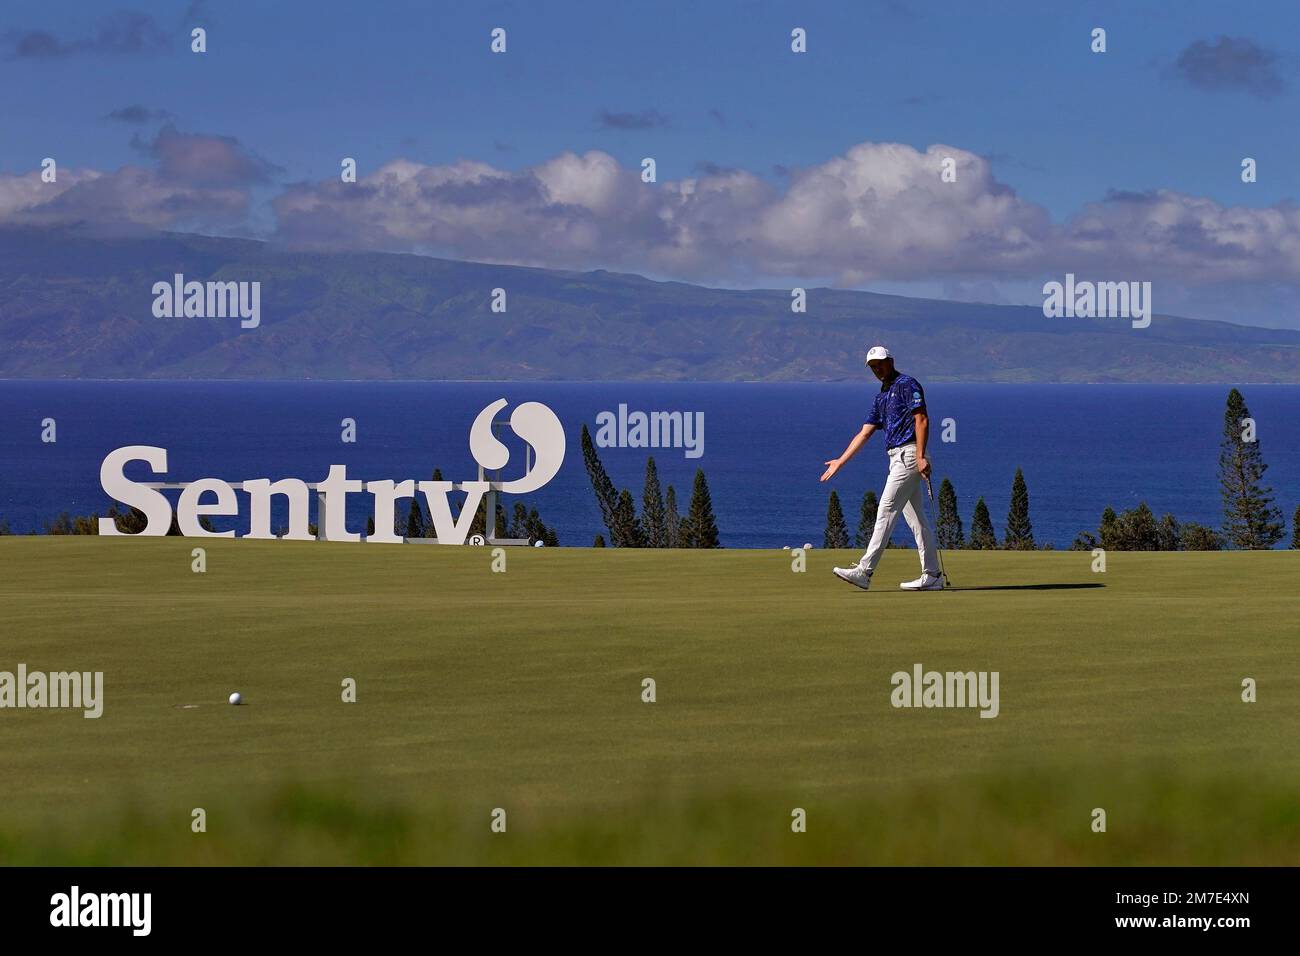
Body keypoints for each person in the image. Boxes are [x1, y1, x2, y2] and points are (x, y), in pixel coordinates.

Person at [820, 346, 943, 591]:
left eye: (880, 364)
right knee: (917, 520)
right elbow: (865, 433)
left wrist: (920, 456)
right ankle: (932, 575)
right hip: (896, 458)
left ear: (891, 361)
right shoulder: (882, 395)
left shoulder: (908, 384)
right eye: (873, 367)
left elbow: (922, 419)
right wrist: (840, 461)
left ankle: (864, 572)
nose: (877, 370)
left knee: (885, 509)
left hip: (909, 454)